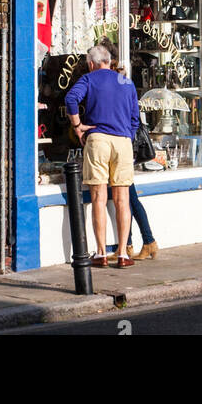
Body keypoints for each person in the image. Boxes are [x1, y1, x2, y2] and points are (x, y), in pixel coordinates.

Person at [66, 43, 139, 268]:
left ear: (91, 64)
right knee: (122, 199)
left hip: (98, 139)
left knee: (98, 198)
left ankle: (101, 254)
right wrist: (127, 135)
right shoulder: (126, 82)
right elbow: (135, 118)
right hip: (123, 141)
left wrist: (78, 126)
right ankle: (123, 254)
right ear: (108, 61)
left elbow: (70, 99)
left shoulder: (89, 79)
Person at [98, 37, 159, 262]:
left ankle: (147, 241)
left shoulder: (119, 82)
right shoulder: (120, 81)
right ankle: (132, 244)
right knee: (124, 197)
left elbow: (131, 114)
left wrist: (128, 134)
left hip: (121, 145)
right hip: (122, 143)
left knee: (128, 197)